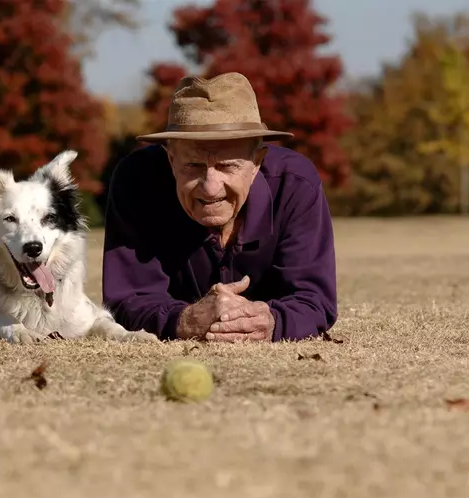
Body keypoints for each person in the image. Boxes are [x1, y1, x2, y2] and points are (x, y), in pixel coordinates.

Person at [101, 72, 337, 343]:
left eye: (227, 166)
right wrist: (185, 320)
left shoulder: (296, 184)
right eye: (193, 166)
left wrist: (271, 320)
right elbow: (127, 301)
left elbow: (314, 300)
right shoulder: (136, 181)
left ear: (256, 163)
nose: (211, 187)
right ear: (171, 158)